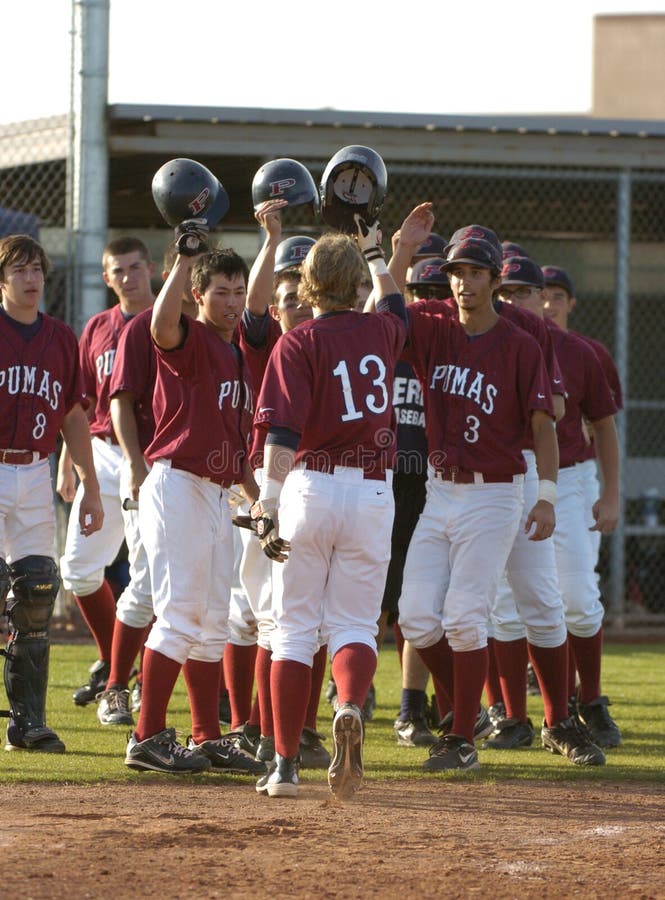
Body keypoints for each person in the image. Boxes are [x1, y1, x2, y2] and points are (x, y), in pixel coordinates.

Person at [394, 216, 560, 772]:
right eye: (456, 272)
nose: (463, 282)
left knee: (466, 616)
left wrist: (549, 495)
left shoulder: (519, 342)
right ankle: (468, 705)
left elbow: (543, 425)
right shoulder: (433, 324)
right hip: (441, 491)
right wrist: (397, 252)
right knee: (415, 617)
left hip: (496, 493)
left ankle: (461, 736)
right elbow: (382, 316)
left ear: (494, 278)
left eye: (474, 272)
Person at [251, 220, 407, 799]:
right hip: (372, 490)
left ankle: (286, 767)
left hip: (311, 487)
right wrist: (376, 253)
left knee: (293, 632)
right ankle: (347, 703)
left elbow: (283, 433)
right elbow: (398, 307)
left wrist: (267, 504)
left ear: (310, 285)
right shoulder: (383, 333)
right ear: (355, 283)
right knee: (356, 624)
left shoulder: (298, 342)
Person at [124, 224, 264, 777]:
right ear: (198, 296)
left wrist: (260, 502)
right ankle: (146, 735)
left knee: (212, 620)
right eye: (221, 292)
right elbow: (160, 326)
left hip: (216, 491)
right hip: (177, 482)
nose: (231, 302)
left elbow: (237, 449)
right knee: (181, 612)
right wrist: (184, 259)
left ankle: (207, 736)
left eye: (238, 290)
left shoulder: (237, 354)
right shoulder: (190, 338)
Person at [233, 205, 330, 769]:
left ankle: (297, 729)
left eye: (303, 292)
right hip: (265, 492)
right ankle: (265, 733)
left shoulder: (330, 340)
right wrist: (271, 241)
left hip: (313, 490)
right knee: (266, 616)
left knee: (307, 619)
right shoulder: (265, 339)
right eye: (285, 294)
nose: (294, 303)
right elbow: (251, 309)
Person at [0, 234, 104, 752]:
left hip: (35, 472)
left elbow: (72, 416)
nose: (31, 277)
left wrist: (89, 484)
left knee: (38, 593)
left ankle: (27, 723)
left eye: (37, 267)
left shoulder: (62, 338)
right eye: (18, 269)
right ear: (2, 279)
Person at [57, 237, 155, 706]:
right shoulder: (97, 326)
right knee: (76, 569)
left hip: (151, 455)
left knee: (146, 574)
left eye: (136, 267)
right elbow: (78, 404)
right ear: (107, 278)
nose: (129, 277)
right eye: (119, 270)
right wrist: (68, 465)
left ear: (152, 269)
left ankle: (124, 681)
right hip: (99, 453)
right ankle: (114, 661)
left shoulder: (170, 322)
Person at [540, 262, 623, 748]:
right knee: (507, 605)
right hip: (513, 479)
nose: (546, 301)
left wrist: (609, 491)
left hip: (574, 475)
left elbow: (605, 421)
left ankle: (587, 699)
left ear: (571, 302)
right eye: (537, 291)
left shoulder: (589, 354)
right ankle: (510, 711)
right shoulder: (510, 344)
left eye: (555, 293)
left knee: (576, 595)